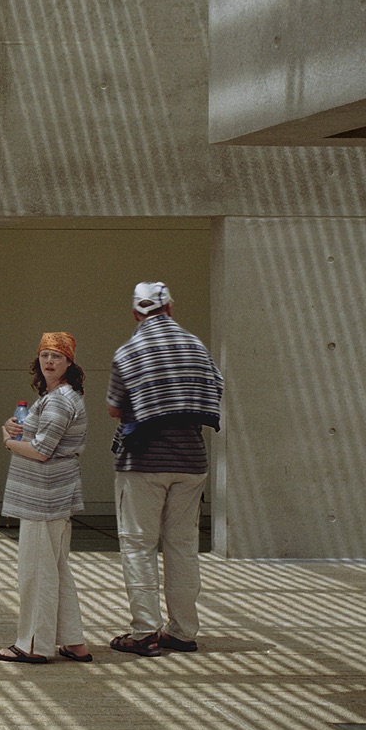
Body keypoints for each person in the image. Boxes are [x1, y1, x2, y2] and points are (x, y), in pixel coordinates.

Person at [104, 280, 221, 653]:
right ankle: (183, 631)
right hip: (191, 461)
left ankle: (144, 633)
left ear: (136, 313)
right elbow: (215, 390)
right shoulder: (196, 346)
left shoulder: (129, 352)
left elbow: (114, 408)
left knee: (139, 545)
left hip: (142, 462)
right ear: (170, 307)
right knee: (183, 546)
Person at [0, 333, 94, 664]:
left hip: (44, 497)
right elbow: (42, 438)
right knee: (57, 569)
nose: (49, 361)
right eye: (45, 355)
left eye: (57, 356)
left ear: (69, 363)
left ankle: (33, 644)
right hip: (56, 496)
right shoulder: (61, 397)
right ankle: (73, 640)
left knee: (37, 573)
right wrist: (17, 429)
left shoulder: (58, 401)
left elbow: (41, 451)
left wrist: (8, 442)